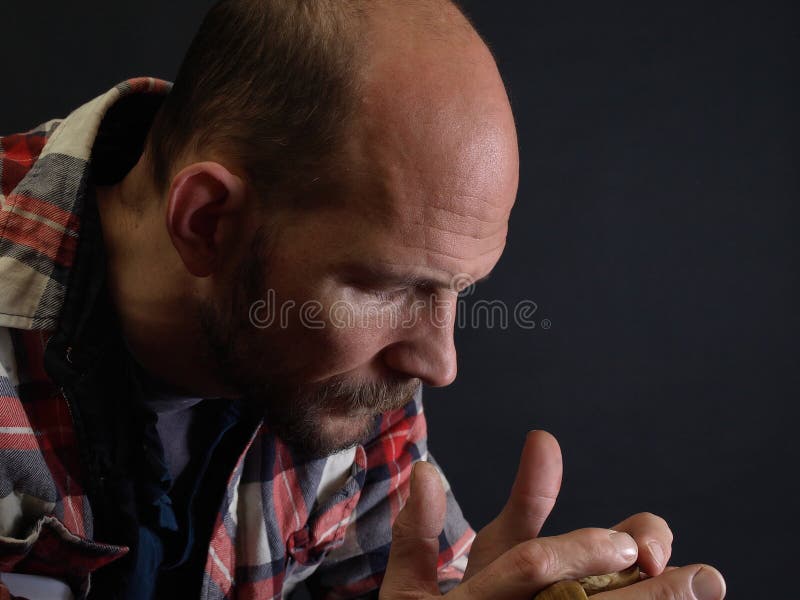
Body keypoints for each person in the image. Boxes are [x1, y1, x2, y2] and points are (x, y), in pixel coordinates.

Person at [0, 0, 726, 599]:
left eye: (458, 290)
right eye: (390, 286)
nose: (438, 363)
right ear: (207, 223)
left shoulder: (343, 377)